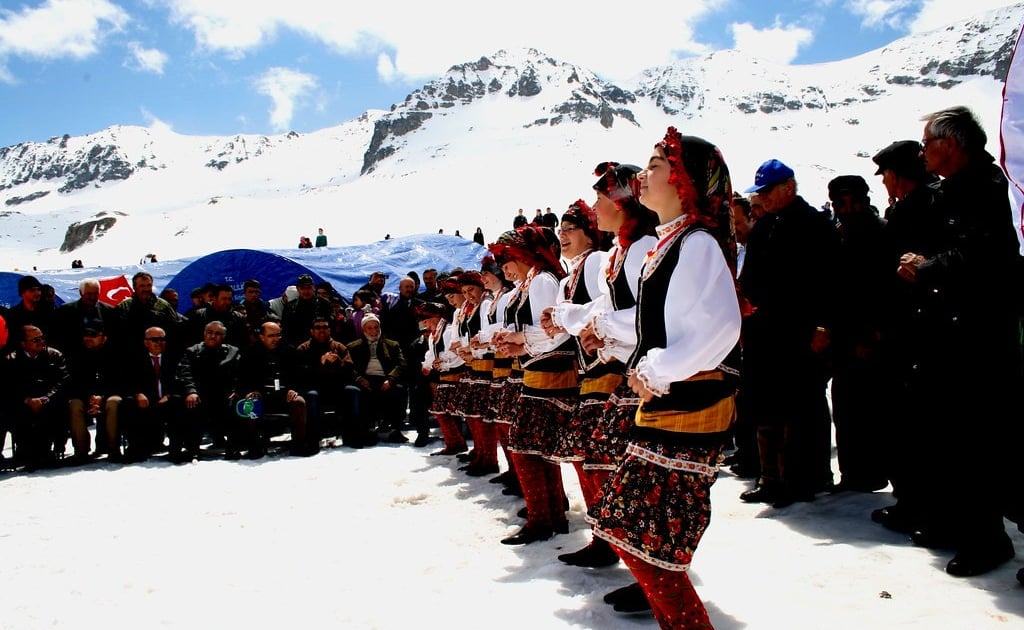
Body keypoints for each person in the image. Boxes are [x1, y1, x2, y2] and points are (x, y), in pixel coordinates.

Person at [586, 129, 742, 628]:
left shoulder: (696, 242)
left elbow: (721, 326)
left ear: (684, 180)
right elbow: (659, 325)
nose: (641, 176)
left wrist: (658, 368)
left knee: (646, 539)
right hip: (667, 397)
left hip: (689, 400)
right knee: (635, 533)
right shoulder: (673, 240)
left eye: (654, 165)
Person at [891, 106, 1021, 577]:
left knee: (980, 445)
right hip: (949, 336)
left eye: (928, 142)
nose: (923, 151)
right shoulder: (951, 191)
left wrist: (927, 267)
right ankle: (958, 525)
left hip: (979, 340)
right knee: (951, 441)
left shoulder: (988, 187)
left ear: (952, 143)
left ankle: (988, 541)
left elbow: (987, 255)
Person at [737, 158, 839, 508]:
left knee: (802, 409)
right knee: (766, 406)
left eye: (766, 192)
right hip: (765, 334)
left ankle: (804, 479)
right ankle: (770, 479)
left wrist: (824, 326)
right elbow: (749, 279)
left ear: (788, 188)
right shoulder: (765, 227)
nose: (761, 199)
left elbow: (832, 283)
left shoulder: (816, 225)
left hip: (801, 333)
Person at [489, 224, 576, 545]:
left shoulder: (541, 281)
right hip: (539, 370)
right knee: (536, 446)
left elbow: (554, 330)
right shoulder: (532, 282)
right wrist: (518, 345)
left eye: (506, 259)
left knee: (525, 446)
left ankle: (544, 516)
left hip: (551, 373)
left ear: (522, 255)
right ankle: (551, 513)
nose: (503, 267)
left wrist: (520, 339)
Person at [826, 175, 891, 494]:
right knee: (846, 406)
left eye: (854, 202)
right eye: (842, 204)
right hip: (843, 335)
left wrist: (872, 332)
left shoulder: (879, 233)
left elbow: (881, 289)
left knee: (872, 407)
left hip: (869, 335)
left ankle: (873, 473)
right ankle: (853, 473)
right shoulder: (839, 235)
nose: (849, 209)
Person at [236, 321, 317, 458]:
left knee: (299, 402)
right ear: (261, 337)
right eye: (271, 335)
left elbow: (302, 375)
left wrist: (294, 389)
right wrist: (250, 391)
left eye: (278, 335)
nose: (276, 338)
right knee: (249, 403)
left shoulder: (289, 351)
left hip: (284, 395)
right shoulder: (250, 353)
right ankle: (254, 446)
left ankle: (298, 445)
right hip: (261, 395)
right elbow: (241, 379)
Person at [2, 325, 70, 470]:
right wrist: (26, 400)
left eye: (42, 338)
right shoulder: (11, 360)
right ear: (23, 344)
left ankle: (48, 451)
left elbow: (62, 381)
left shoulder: (55, 355)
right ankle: (27, 452)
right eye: (35, 340)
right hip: (23, 404)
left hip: (49, 401)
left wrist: (45, 398)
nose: (41, 342)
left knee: (58, 409)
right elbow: (8, 387)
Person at [177, 321, 241, 461]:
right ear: (204, 334)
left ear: (223, 337)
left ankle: (233, 448)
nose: (213, 336)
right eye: (209, 333)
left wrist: (237, 391)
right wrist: (191, 391)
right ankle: (193, 449)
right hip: (201, 395)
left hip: (224, 396)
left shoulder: (233, 352)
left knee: (237, 402)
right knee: (192, 404)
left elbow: (240, 375)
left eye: (217, 334)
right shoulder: (192, 351)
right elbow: (185, 374)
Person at [119, 326, 183, 462]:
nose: (159, 342)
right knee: (128, 403)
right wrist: (137, 394)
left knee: (177, 401)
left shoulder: (175, 358)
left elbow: (182, 380)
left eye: (162, 339)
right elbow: (126, 381)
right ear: (146, 342)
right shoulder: (134, 359)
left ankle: (175, 450)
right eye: (154, 339)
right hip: (146, 401)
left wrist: (169, 395)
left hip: (167, 401)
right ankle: (137, 449)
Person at [346, 313, 408, 444]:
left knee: (399, 390)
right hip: (365, 379)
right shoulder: (353, 346)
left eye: (376, 327)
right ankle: (368, 430)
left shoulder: (392, 345)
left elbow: (401, 364)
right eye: (370, 328)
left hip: (385, 378)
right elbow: (348, 367)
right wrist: (359, 378)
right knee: (360, 393)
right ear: (364, 330)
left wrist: (391, 379)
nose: (374, 331)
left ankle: (396, 430)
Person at [295, 316, 357, 447]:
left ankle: (352, 435)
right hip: (314, 387)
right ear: (312, 331)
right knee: (312, 395)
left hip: (336, 387)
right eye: (318, 327)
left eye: (325, 327)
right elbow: (299, 374)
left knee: (353, 391)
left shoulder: (339, 347)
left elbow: (350, 371)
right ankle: (313, 437)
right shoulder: (303, 348)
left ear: (330, 330)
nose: (321, 330)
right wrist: (320, 363)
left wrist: (340, 362)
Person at [65, 323, 123, 463]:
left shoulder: (116, 355)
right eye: (86, 335)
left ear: (104, 338)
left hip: (109, 395)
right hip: (86, 396)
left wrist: (101, 398)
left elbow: (120, 381)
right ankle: (81, 451)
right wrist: (89, 398)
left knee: (113, 403)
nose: (88, 339)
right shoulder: (75, 355)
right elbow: (72, 382)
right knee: (74, 404)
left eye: (93, 335)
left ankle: (113, 450)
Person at [51, 277, 117, 353]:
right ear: (80, 293)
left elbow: (115, 336)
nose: (92, 297)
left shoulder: (109, 311)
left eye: (95, 293)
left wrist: (103, 340)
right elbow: (57, 336)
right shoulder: (65, 311)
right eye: (89, 294)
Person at [186, 284, 249, 348]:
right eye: (224, 299)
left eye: (229, 299)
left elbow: (243, 343)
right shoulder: (198, 316)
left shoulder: (238, 318)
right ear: (215, 298)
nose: (227, 302)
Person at [282, 274, 332, 347]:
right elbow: (285, 331)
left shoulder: (324, 304)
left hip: (320, 345)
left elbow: (330, 327)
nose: (306, 291)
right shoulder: (290, 307)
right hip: (297, 347)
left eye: (309, 287)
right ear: (298, 289)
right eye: (302, 288)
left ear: (313, 287)